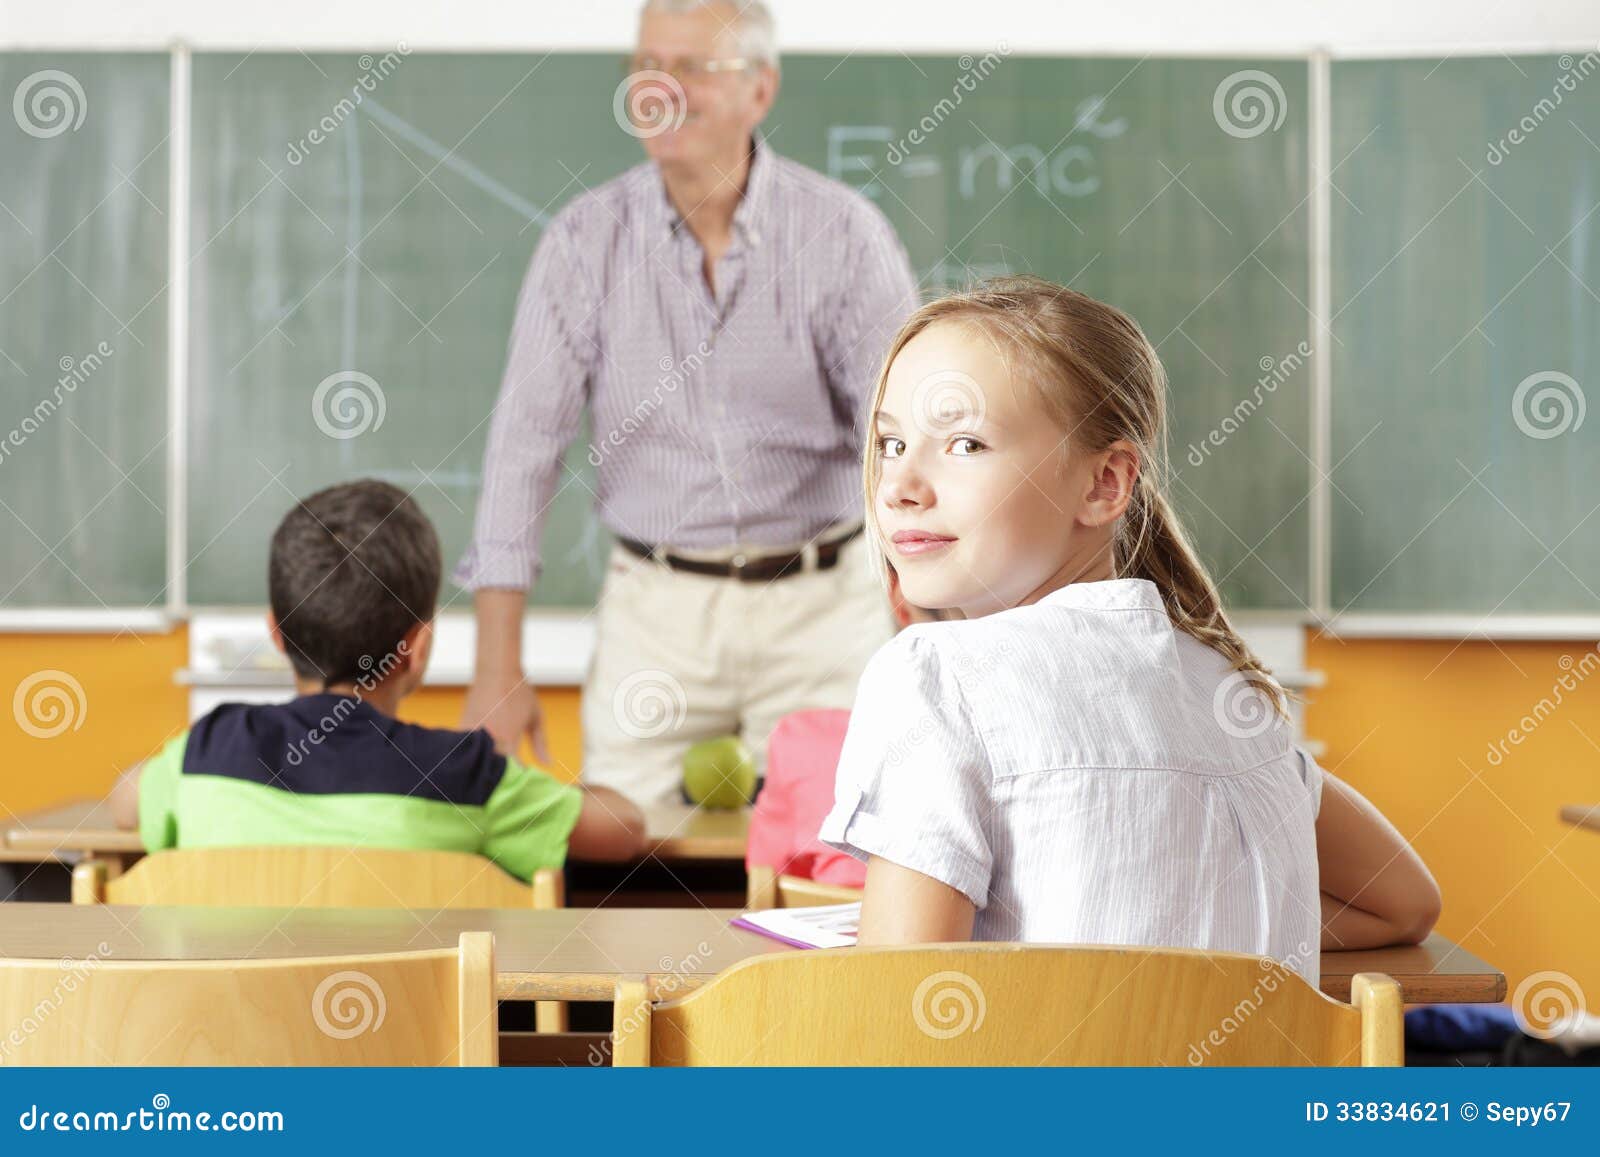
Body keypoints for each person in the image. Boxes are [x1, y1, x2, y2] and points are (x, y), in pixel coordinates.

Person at [819, 277, 1441, 985]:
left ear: (1105, 484)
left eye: (964, 443)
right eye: (891, 442)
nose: (900, 483)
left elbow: (896, 1023)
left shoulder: (934, 676)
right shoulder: (1224, 686)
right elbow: (1405, 904)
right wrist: (1180, 956)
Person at [455, 0, 919, 805]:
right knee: (618, 864)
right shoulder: (583, 243)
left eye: (694, 69)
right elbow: (523, 451)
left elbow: (907, 438)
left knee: (845, 855)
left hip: (824, 610)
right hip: (656, 614)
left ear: (760, 91)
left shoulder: (844, 237)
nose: (659, 90)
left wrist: (934, 626)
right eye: (646, 66)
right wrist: (499, 667)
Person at [111, 480, 646, 877]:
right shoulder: (468, 777)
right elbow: (624, 831)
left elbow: (123, 801)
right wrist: (568, 790)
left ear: (276, 635)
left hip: (231, 1031)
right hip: (422, 1032)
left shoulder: (204, 755)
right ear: (418, 648)